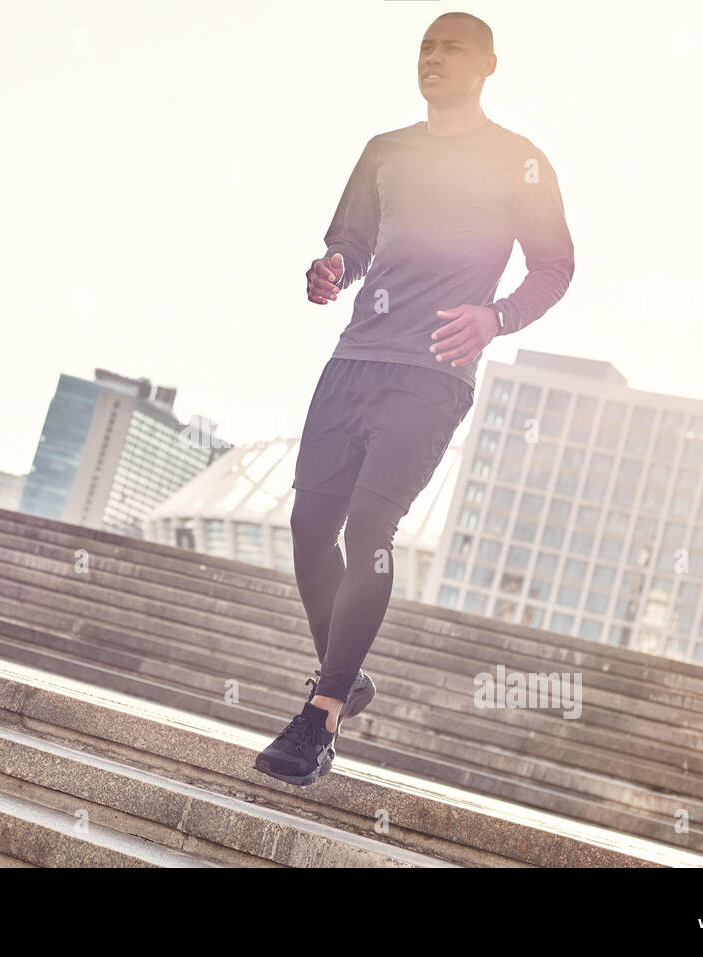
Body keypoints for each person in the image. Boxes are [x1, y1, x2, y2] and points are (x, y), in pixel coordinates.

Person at [254, 11, 576, 786]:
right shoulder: (384, 151)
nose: (433, 59)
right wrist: (332, 269)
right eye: (425, 48)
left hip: (433, 370)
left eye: (451, 48)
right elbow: (351, 244)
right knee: (308, 525)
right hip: (354, 357)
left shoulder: (521, 161)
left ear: (488, 66)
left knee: (371, 524)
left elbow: (556, 265)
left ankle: (321, 715)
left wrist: (496, 317)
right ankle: (348, 672)